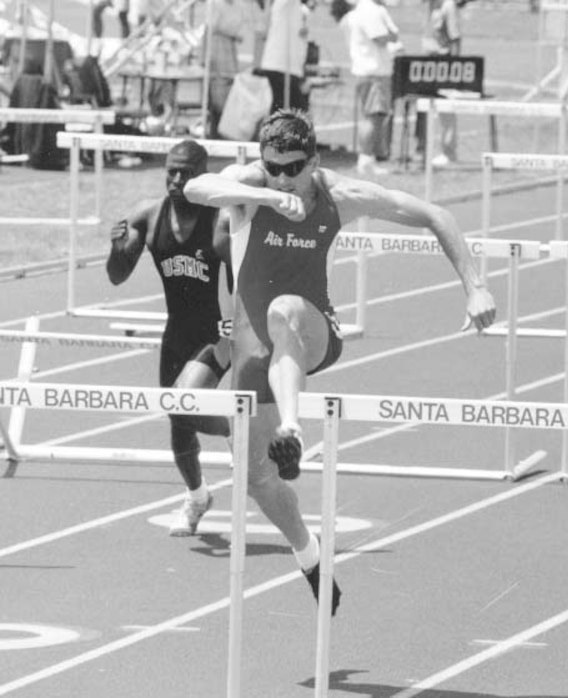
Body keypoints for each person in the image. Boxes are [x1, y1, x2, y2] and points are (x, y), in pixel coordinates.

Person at [184, 109, 497, 614]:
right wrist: (267, 195)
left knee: (283, 310)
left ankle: (293, 428)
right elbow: (197, 188)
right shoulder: (253, 184)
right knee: (257, 478)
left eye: (293, 167)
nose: (283, 175)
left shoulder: (340, 196)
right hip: (252, 352)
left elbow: (438, 215)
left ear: (315, 159)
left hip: (312, 331)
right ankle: (310, 557)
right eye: (273, 165)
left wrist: (475, 285)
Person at [106, 140, 232, 538]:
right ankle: (197, 498)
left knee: (187, 399)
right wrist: (118, 248)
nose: (177, 180)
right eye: (171, 171)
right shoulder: (149, 213)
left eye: (187, 172)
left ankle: (241, 430)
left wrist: (241, 330)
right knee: (178, 421)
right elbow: (116, 275)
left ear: (203, 174)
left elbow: (247, 277)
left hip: (221, 331)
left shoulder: (222, 218)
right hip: (177, 332)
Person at [339, 0, 402, 176]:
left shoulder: (364, 10)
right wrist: (392, 35)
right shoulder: (370, 10)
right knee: (373, 116)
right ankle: (366, 159)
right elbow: (380, 37)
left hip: (369, 70)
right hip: (373, 72)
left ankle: (368, 158)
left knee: (374, 116)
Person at [415, 0, 461, 167]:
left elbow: (455, 38)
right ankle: (424, 150)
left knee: (446, 107)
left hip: (443, 61)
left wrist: (454, 67)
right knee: (425, 107)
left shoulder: (448, 5)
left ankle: (449, 152)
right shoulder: (429, 5)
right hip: (427, 61)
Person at [204, 0, 248, 139]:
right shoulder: (215, 4)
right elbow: (212, 26)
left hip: (229, 55)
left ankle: (223, 130)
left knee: (228, 94)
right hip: (216, 53)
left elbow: (240, 31)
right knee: (217, 96)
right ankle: (215, 131)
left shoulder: (239, 6)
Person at [260, 0, 311, 115]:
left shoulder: (298, 10)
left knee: (282, 109)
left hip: (288, 68)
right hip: (279, 66)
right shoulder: (284, 4)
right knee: (296, 110)